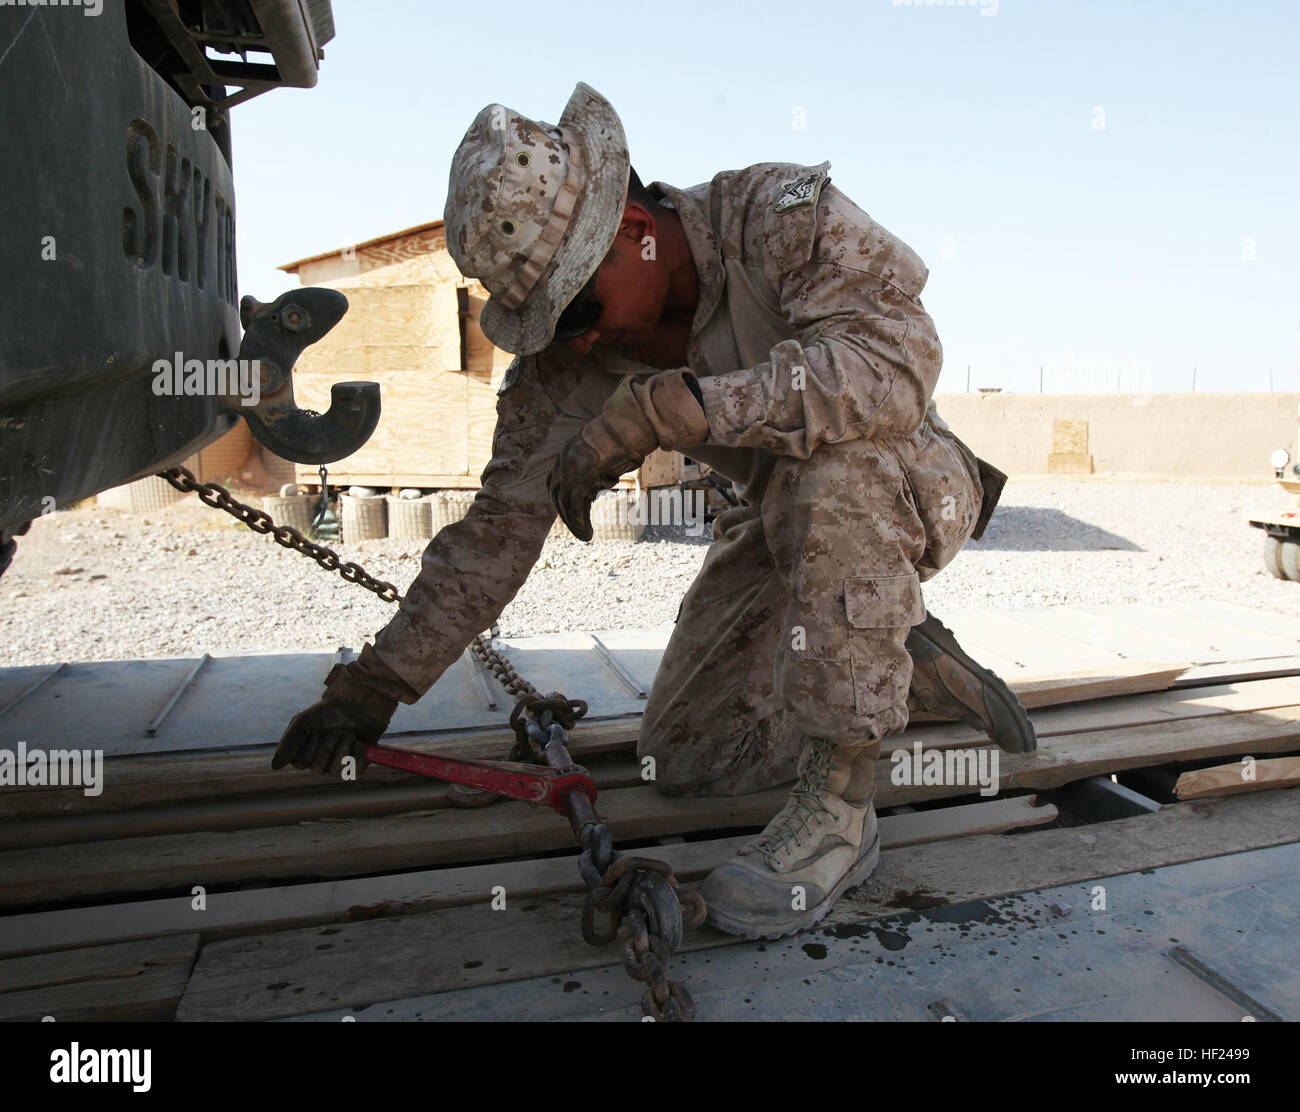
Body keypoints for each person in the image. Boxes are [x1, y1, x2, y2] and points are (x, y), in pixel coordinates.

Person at [273, 82, 1036, 939]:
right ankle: (890, 656)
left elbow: (894, 368)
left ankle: (841, 812)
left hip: (899, 483)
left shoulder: (777, 218)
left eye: (580, 309)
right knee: (688, 758)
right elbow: (494, 533)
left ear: (635, 234)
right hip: (780, 533)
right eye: (554, 326)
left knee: (833, 469)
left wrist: (677, 409)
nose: (580, 340)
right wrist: (373, 688)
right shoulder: (566, 368)